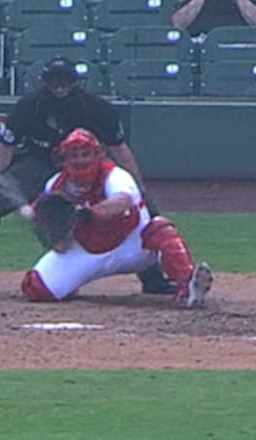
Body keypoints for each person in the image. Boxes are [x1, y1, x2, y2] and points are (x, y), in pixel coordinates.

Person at [0, 55, 174, 299]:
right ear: (44, 82)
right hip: (39, 162)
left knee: (145, 206)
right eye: (54, 81)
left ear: (74, 82)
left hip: (91, 165)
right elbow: (6, 149)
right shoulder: (29, 106)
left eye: (64, 80)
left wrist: (138, 185)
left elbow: (119, 148)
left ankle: (153, 274)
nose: (59, 86)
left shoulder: (95, 108)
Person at [17, 128, 212, 308]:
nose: (80, 161)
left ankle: (188, 287)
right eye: (74, 155)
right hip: (87, 249)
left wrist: (90, 212)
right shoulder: (55, 185)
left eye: (85, 154)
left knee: (161, 230)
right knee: (35, 288)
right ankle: (70, 285)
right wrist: (37, 219)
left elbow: (122, 201)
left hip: (133, 245)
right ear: (63, 159)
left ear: (98, 154)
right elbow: (55, 237)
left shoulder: (115, 176)